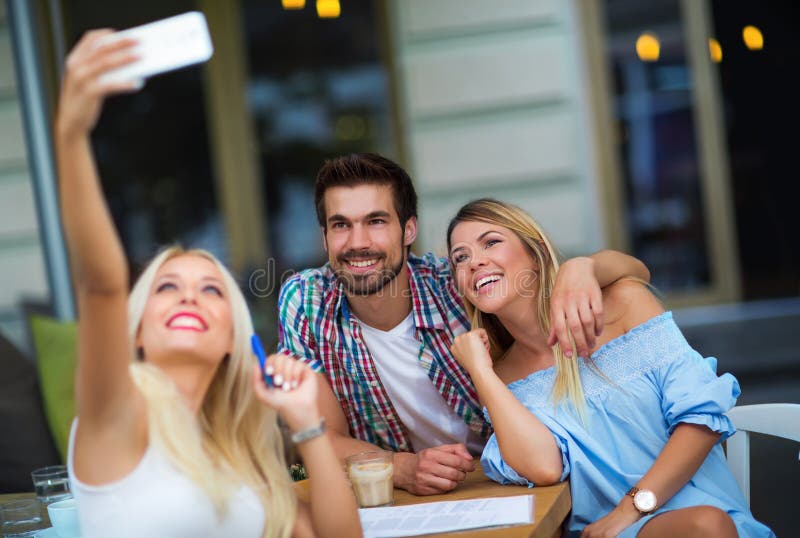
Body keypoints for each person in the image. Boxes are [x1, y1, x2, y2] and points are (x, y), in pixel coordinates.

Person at [55, 30, 361, 538]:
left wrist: (307, 425)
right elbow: (101, 286)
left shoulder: (238, 452)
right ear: (134, 333)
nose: (191, 295)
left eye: (213, 289)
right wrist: (70, 135)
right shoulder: (114, 414)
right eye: (167, 287)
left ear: (230, 340)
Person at [277, 153, 651, 495]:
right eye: (341, 225)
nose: (358, 242)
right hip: (401, 499)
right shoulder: (307, 302)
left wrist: (582, 266)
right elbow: (320, 434)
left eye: (376, 221)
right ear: (324, 238)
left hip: (510, 477)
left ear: (408, 231)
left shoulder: (458, 283)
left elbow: (634, 273)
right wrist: (401, 468)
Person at [447, 199, 774, 537]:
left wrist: (630, 508)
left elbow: (701, 420)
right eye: (461, 257)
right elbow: (544, 468)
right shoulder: (500, 378)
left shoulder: (623, 305)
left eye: (491, 242)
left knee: (706, 525)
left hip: (694, 514)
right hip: (604, 532)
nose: (476, 262)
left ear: (537, 252)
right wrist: (481, 373)